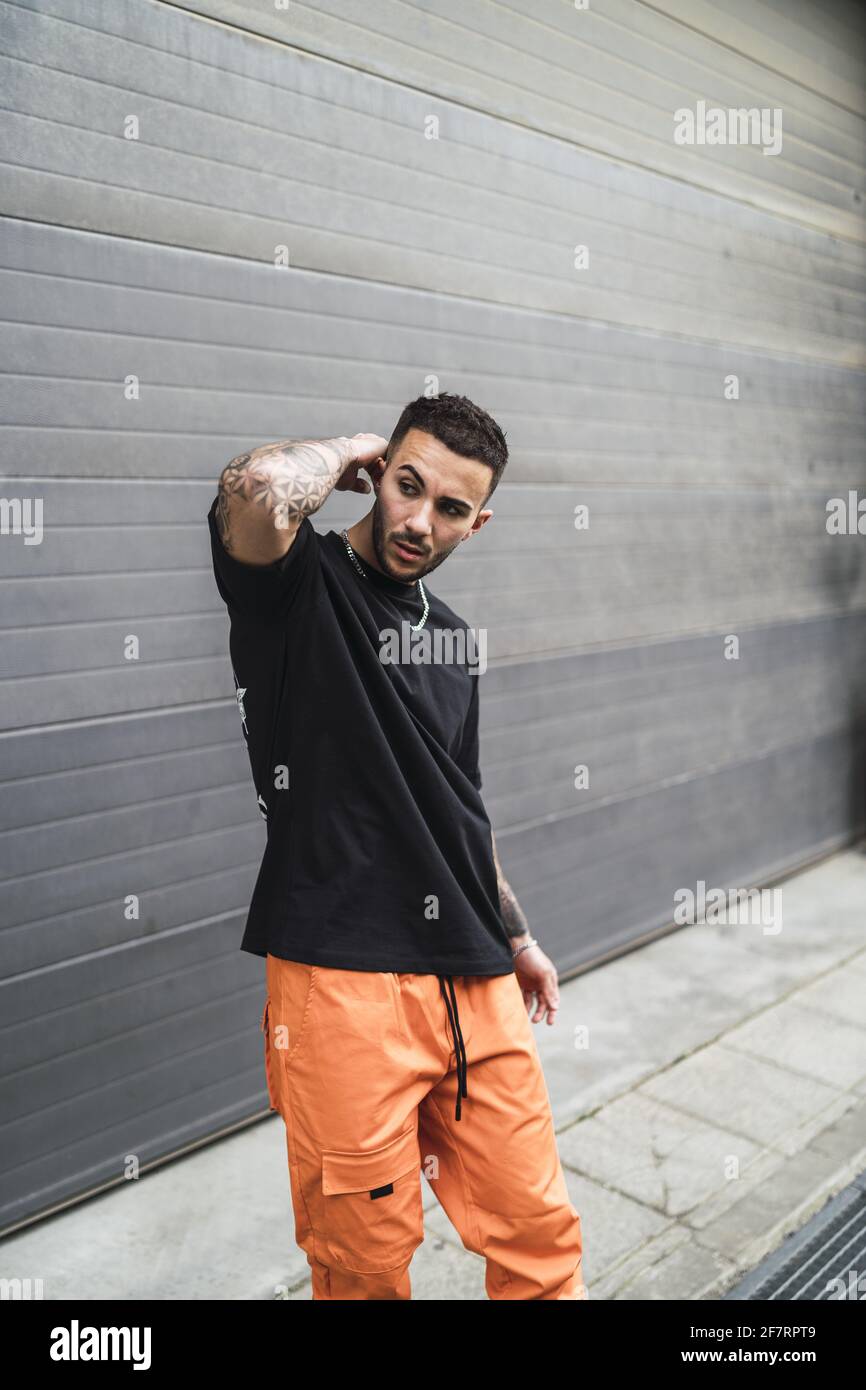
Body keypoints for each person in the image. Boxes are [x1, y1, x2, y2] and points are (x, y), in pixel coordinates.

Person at [207, 392, 587, 1300]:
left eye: (450, 507)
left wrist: (520, 939)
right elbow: (258, 487)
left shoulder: (454, 642)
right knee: (364, 1264)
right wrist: (348, 452)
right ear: (377, 477)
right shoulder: (298, 585)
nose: (419, 520)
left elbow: (462, 810)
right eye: (406, 487)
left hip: (475, 977)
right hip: (342, 985)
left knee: (541, 1238)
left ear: (477, 522)